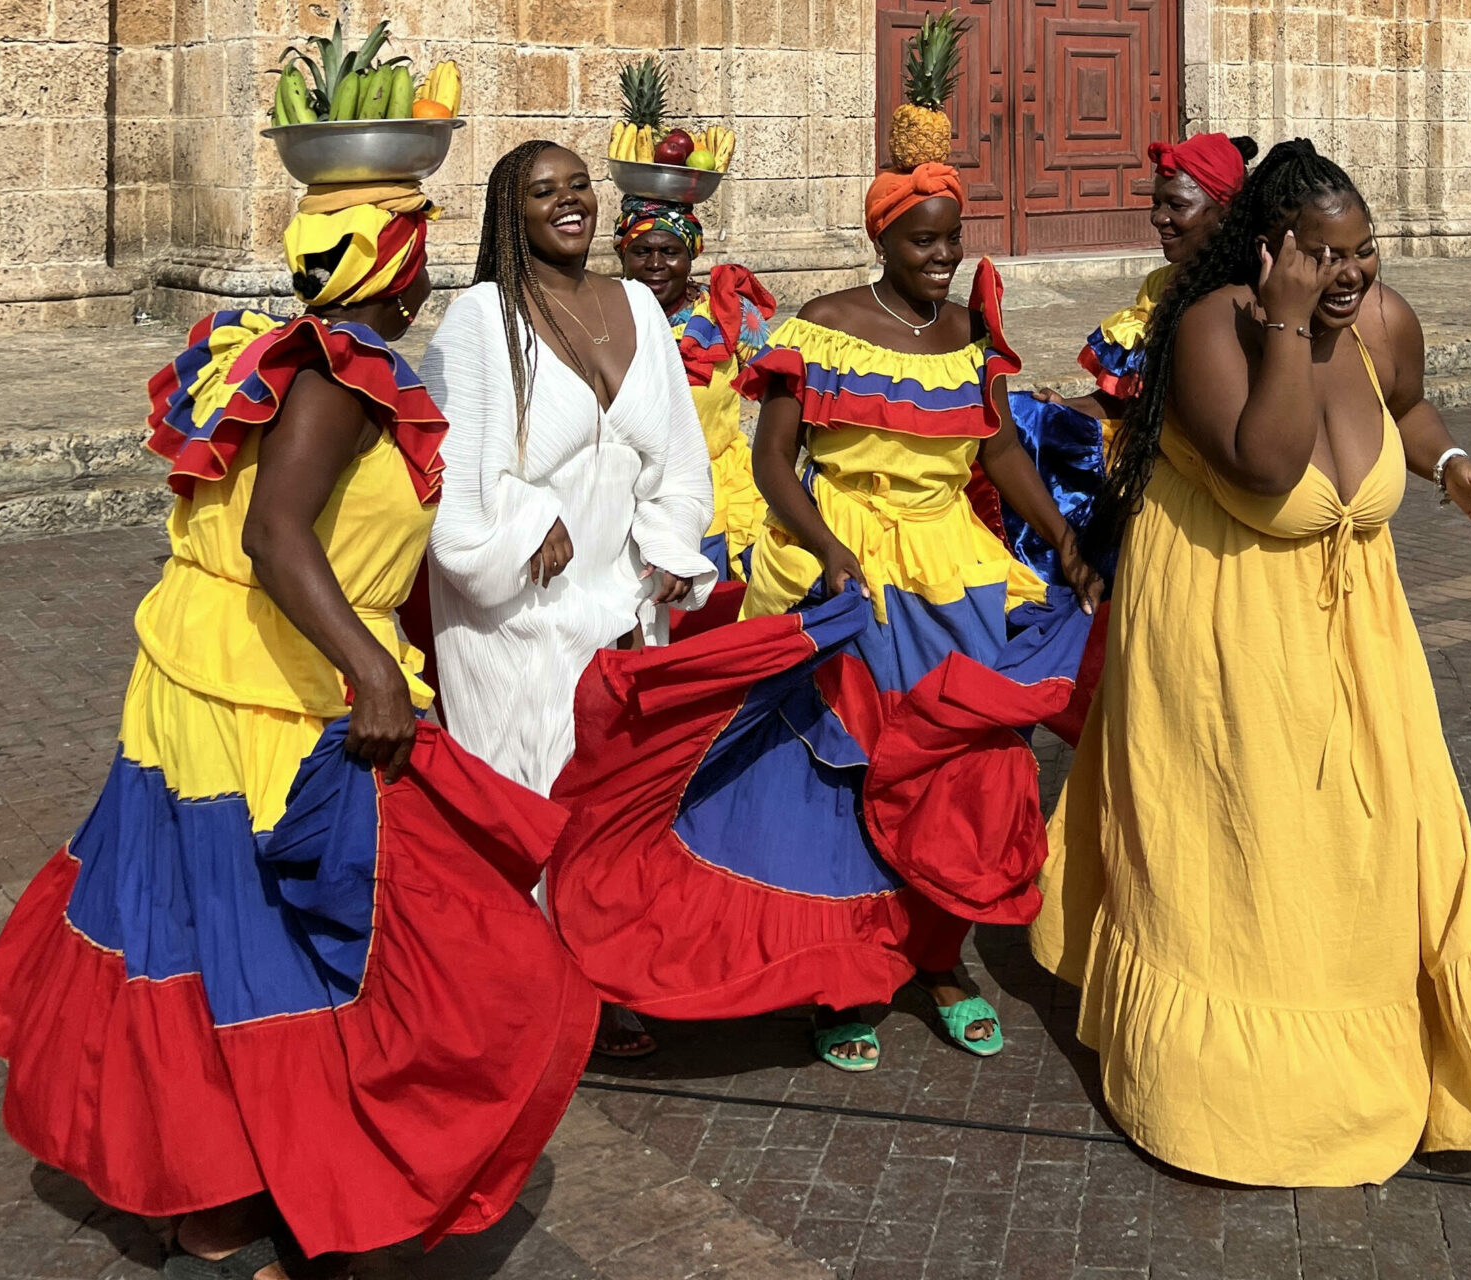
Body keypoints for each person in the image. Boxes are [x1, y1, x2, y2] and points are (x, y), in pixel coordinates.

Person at [0, 186, 599, 1279]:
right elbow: (273, 531)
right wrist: (373, 672)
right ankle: (273, 1193)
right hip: (266, 697)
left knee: (218, 935)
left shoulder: (273, 350)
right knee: (318, 942)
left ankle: (221, 1197)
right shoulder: (338, 371)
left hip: (212, 676)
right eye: (420, 250)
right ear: (397, 270)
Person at [1031, 139, 1471, 1186]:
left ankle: (1381, 1073)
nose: (1349, 275)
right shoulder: (1213, 329)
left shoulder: (1383, 321)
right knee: (1242, 857)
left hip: (1358, 643)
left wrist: (1449, 465)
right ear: (1269, 252)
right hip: (1221, 638)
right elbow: (1267, 466)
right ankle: (1230, 1094)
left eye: (1363, 250)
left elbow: (1402, 411)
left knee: (1377, 849)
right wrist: (1283, 322)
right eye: (1323, 253)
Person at [544, 161, 1104, 1073]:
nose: (942, 257)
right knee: (849, 777)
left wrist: (1061, 540)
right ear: (880, 239)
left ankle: (938, 963)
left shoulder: (970, 335)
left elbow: (999, 451)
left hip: (953, 576)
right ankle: (846, 982)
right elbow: (773, 465)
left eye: (952, 239)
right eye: (923, 240)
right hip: (850, 580)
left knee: (952, 774)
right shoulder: (823, 330)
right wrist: (827, 545)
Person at [422, 141, 716, 1059]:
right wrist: (521, 525)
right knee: (528, 785)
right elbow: (454, 475)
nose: (570, 203)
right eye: (545, 192)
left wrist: (667, 548)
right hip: (517, 607)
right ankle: (526, 981)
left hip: (618, 594)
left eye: (580, 186)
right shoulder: (479, 320)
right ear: (512, 214)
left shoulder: (635, 305)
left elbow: (677, 457)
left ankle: (598, 966)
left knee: (608, 791)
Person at [1002, 132, 1257, 579]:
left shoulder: (1249, 300)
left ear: (1226, 213)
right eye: (1157, 204)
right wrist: (1067, 406)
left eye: (1177, 206)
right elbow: (1127, 397)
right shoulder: (1159, 288)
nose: (1159, 218)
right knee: (1021, 420)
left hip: (1203, 488)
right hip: (1140, 459)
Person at [614, 193, 776, 594]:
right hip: (623, 492)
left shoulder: (727, 313)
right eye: (641, 251)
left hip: (715, 487)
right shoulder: (603, 314)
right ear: (622, 254)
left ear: (691, 255)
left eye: (670, 251)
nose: (655, 264)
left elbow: (780, 390)